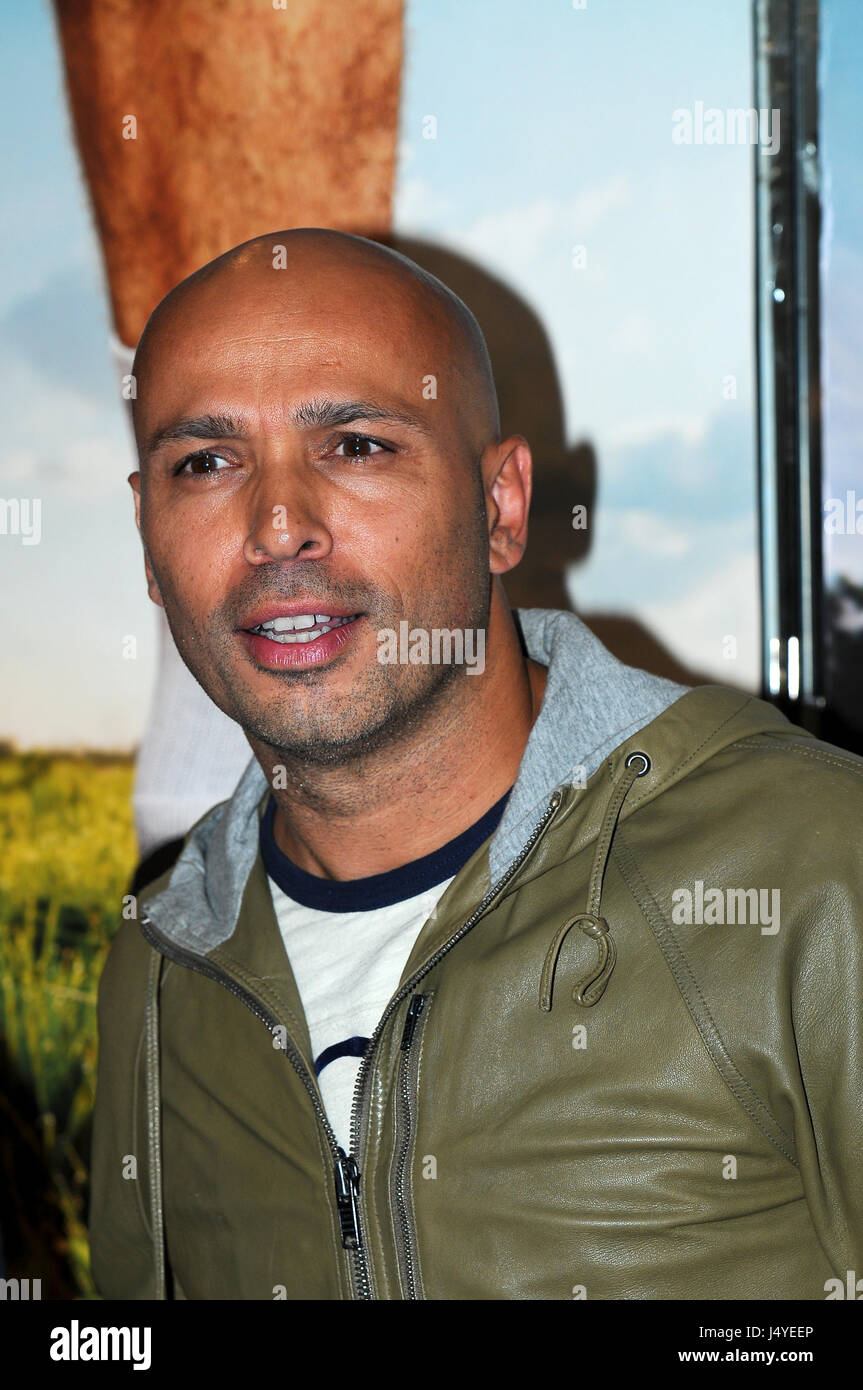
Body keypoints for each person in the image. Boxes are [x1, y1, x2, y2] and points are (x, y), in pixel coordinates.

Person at [89, 228, 863, 1300]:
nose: (276, 526)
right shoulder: (166, 961)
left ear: (499, 507)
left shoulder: (815, 867)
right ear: (147, 536)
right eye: (205, 463)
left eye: (354, 444)